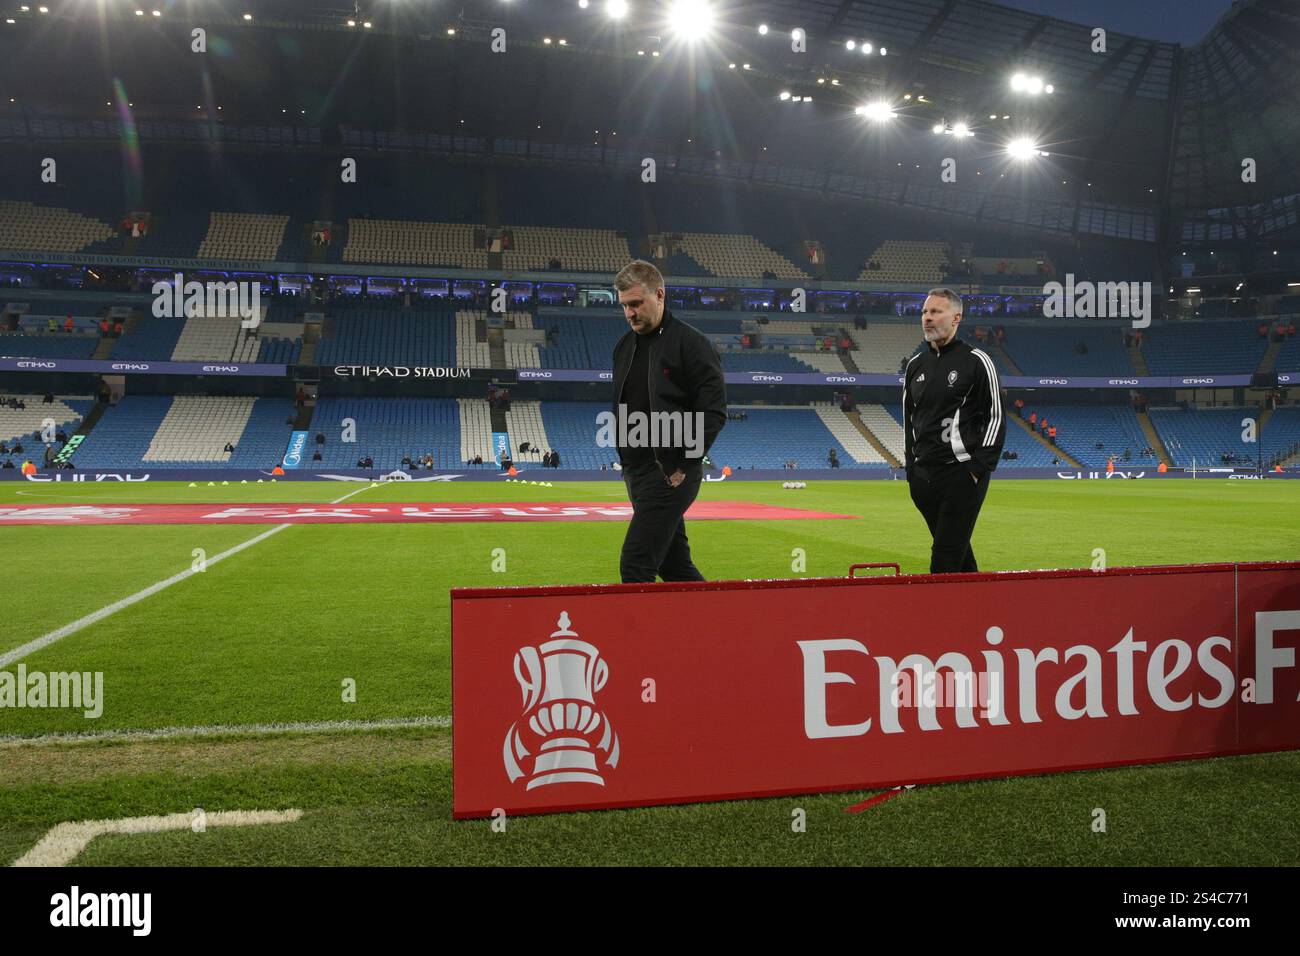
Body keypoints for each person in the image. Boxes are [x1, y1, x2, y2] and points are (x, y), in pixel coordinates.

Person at [612, 259, 726, 583]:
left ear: (659, 295)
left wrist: (684, 461)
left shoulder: (692, 345)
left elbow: (714, 411)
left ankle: (641, 635)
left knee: (636, 563)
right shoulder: (623, 347)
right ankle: (718, 627)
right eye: (624, 306)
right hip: (636, 472)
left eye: (636, 303)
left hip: (670, 471)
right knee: (674, 567)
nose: (630, 313)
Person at [903, 288, 1005, 574]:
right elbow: (909, 419)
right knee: (959, 556)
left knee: (944, 559)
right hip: (923, 478)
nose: (927, 318)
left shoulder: (977, 361)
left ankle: (935, 617)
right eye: (924, 312)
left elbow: (995, 417)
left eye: (936, 312)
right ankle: (979, 612)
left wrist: (976, 468)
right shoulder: (915, 365)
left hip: (961, 474)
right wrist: (912, 470)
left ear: (956, 317)